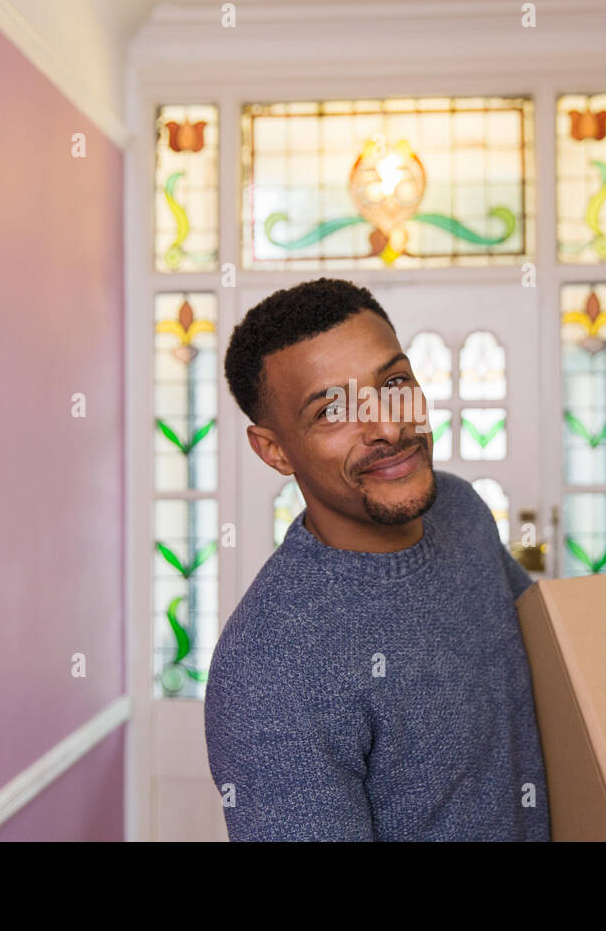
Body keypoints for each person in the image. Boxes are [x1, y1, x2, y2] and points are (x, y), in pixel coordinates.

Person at [204, 276, 550, 841]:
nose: (390, 426)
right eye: (332, 411)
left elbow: (546, 663)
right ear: (274, 450)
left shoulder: (459, 510)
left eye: (393, 383)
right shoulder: (270, 668)